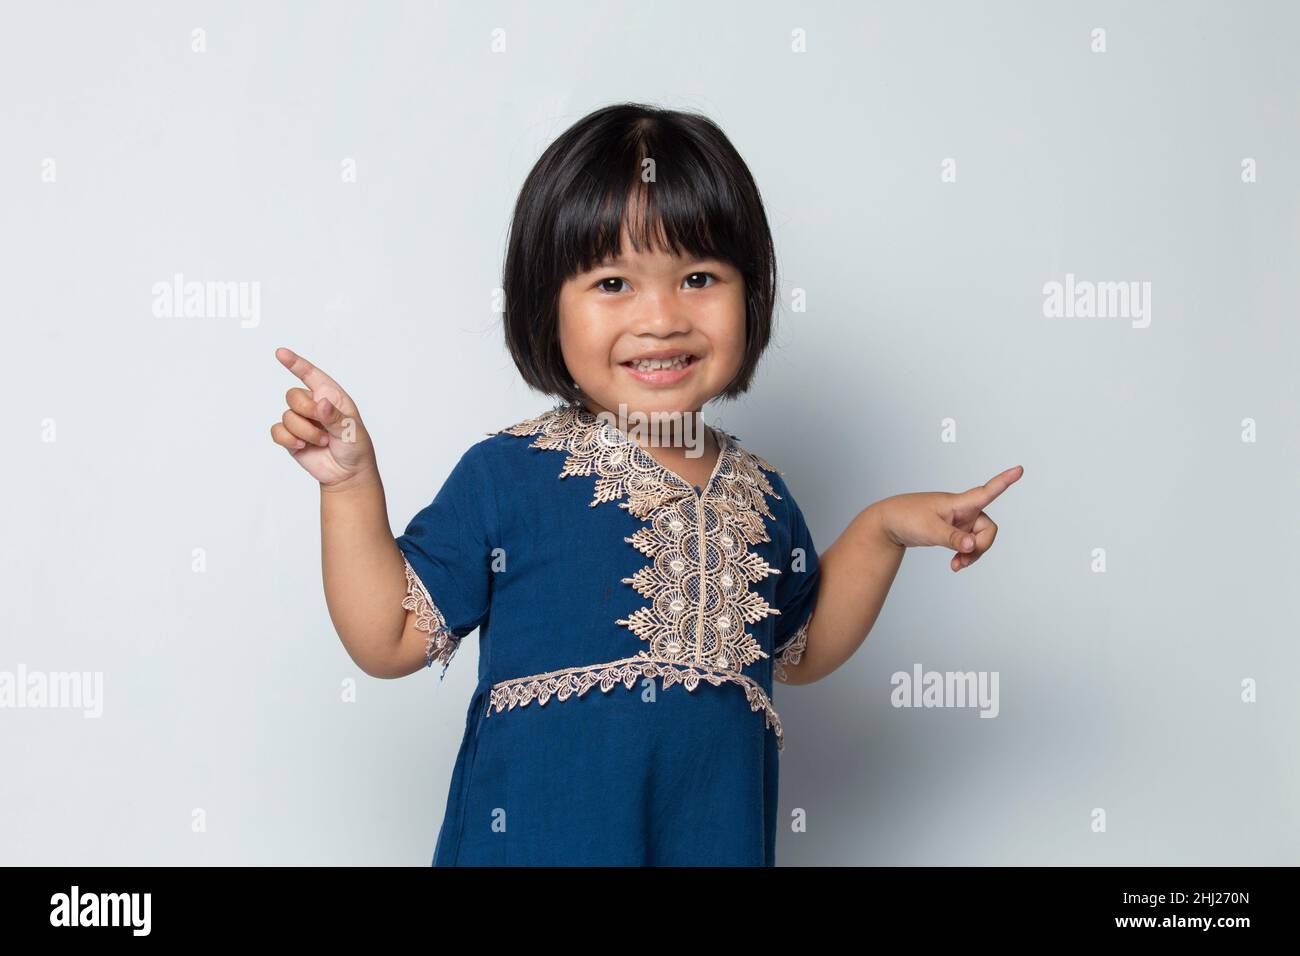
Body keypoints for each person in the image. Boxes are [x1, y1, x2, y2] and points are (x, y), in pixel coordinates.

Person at [268, 102, 1022, 866]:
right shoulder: (508, 475)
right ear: (545, 305)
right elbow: (388, 637)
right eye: (613, 282)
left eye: (698, 277)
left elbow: (802, 646)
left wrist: (882, 530)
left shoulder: (763, 499)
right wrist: (350, 487)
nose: (661, 318)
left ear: (752, 294)